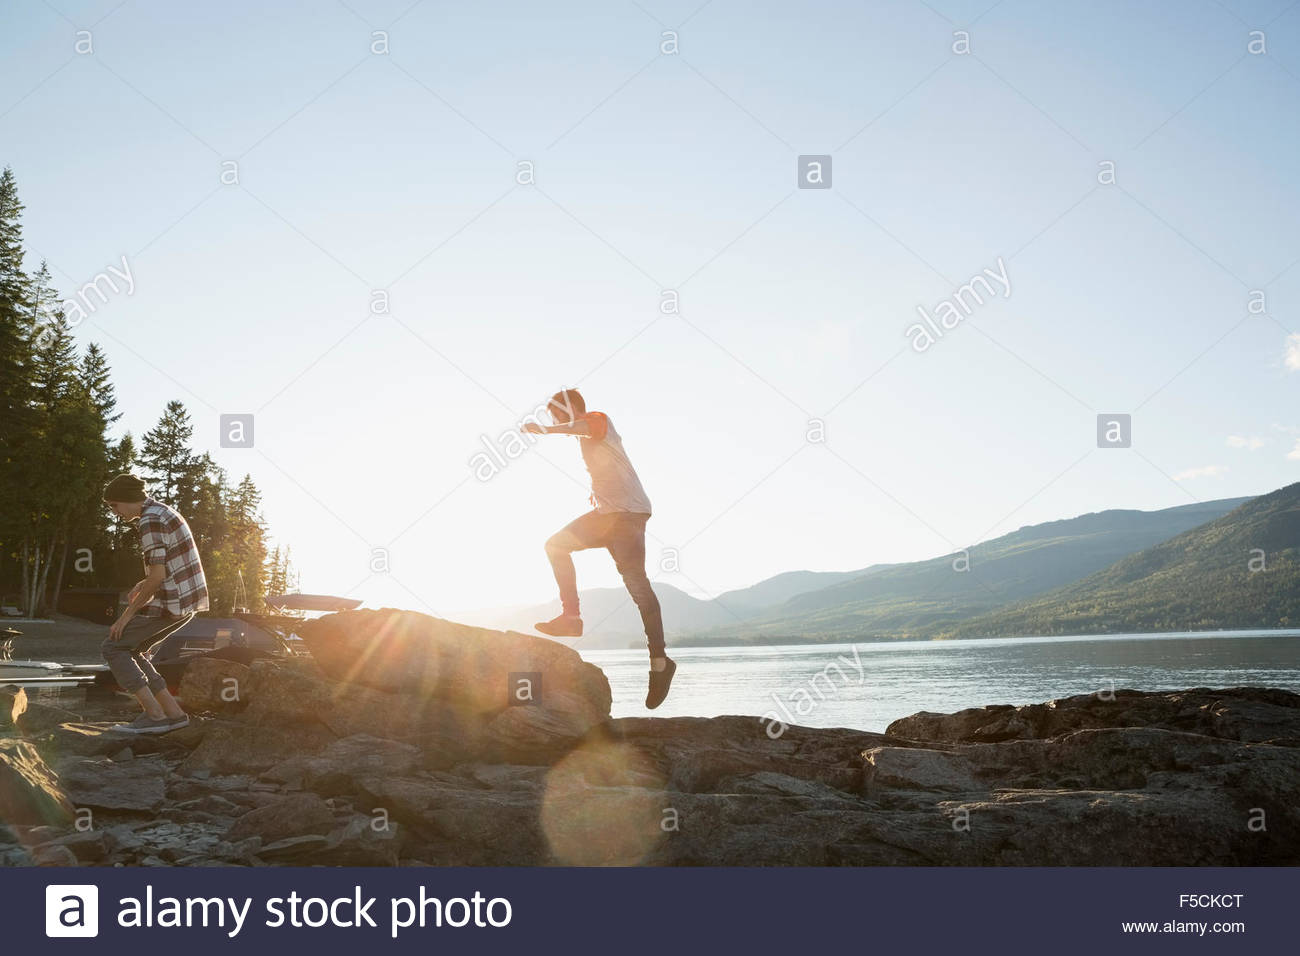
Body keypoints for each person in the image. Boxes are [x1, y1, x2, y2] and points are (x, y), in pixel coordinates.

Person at [523, 389, 677, 709]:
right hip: (609, 516)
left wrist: (547, 430)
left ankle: (660, 663)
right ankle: (572, 617)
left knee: (637, 585)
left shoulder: (598, 419)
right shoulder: (586, 437)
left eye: (556, 413)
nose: (552, 419)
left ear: (570, 409)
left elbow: (584, 427)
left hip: (626, 516)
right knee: (555, 546)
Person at [100, 473, 208, 734]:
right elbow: (163, 567)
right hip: (187, 601)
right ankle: (174, 714)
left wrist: (125, 616)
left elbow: (158, 577)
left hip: (171, 602)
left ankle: (155, 716)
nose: (115, 512)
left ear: (126, 499)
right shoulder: (162, 512)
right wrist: (141, 583)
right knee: (133, 650)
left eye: (114, 505)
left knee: (113, 647)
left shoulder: (150, 520)